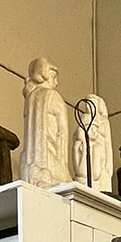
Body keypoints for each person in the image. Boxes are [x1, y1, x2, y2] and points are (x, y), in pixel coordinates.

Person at [20, 57, 71, 187]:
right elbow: (63, 129)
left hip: (33, 162)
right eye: (53, 77)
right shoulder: (52, 96)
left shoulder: (31, 98)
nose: (57, 83)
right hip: (50, 157)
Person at [71, 94, 113, 192]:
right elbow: (79, 134)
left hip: (99, 150)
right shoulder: (84, 119)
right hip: (86, 170)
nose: (88, 106)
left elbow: (107, 143)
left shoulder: (103, 122)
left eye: (93, 103)